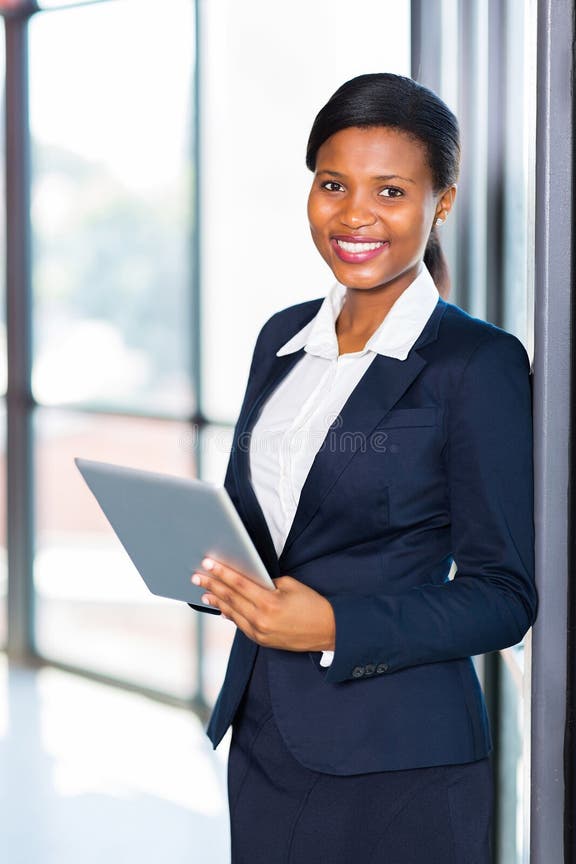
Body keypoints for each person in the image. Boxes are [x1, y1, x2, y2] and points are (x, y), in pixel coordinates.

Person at [189, 73, 537, 863]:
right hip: (267, 732)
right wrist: (212, 566)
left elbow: (504, 598)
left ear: (440, 203)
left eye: (390, 191)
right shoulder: (282, 341)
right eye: (333, 184)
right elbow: (273, 529)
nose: (354, 215)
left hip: (400, 760)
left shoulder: (474, 363)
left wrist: (337, 626)